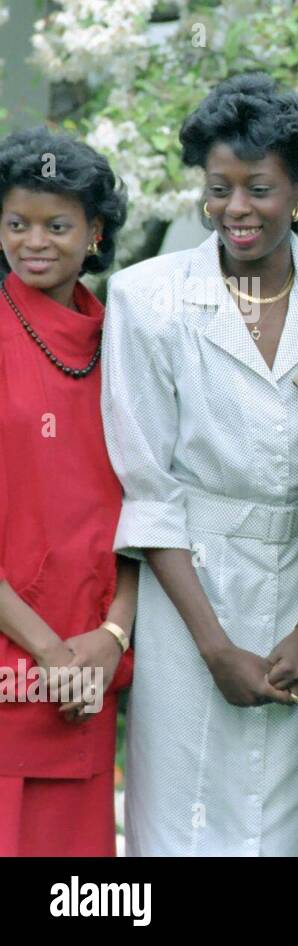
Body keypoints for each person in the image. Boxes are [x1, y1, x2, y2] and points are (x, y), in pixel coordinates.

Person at [101, 73, 298, 856]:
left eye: (260, 188)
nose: (237, 209)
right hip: (189, 587)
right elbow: (147, 487)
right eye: (218, 188)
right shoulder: (145, 296)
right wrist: (215, 646)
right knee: (182, 819)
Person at [0, 127, 135, 856]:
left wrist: (111, 639)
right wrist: (51, 655)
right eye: (16, 223)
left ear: (96, 232)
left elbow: (151, 508)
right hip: (18, 663)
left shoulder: (127, 343)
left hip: (91, 677)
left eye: (57, 225)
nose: (34, 242)